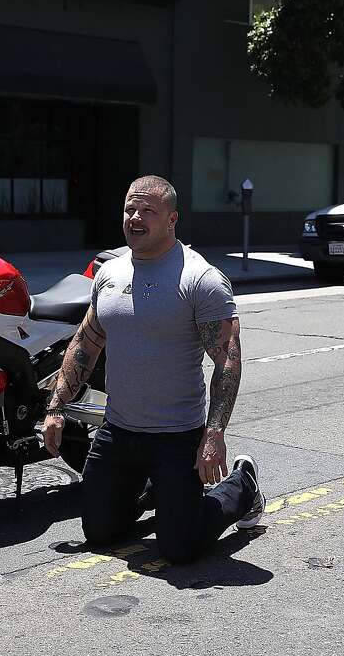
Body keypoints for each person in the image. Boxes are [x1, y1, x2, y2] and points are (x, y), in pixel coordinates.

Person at [42, 175, 265, 564]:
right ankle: (157, 491)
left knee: (180, 547)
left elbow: (227, 361)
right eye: (130, 209)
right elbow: (86, 343)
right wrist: (57, 407)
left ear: (172, 219)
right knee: (100, 532)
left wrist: (213, 434)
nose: (136, 218)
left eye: (148, 211)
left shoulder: (200, 279)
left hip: (176, 436)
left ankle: (242, 485)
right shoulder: (110, 273)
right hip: (119, 430)